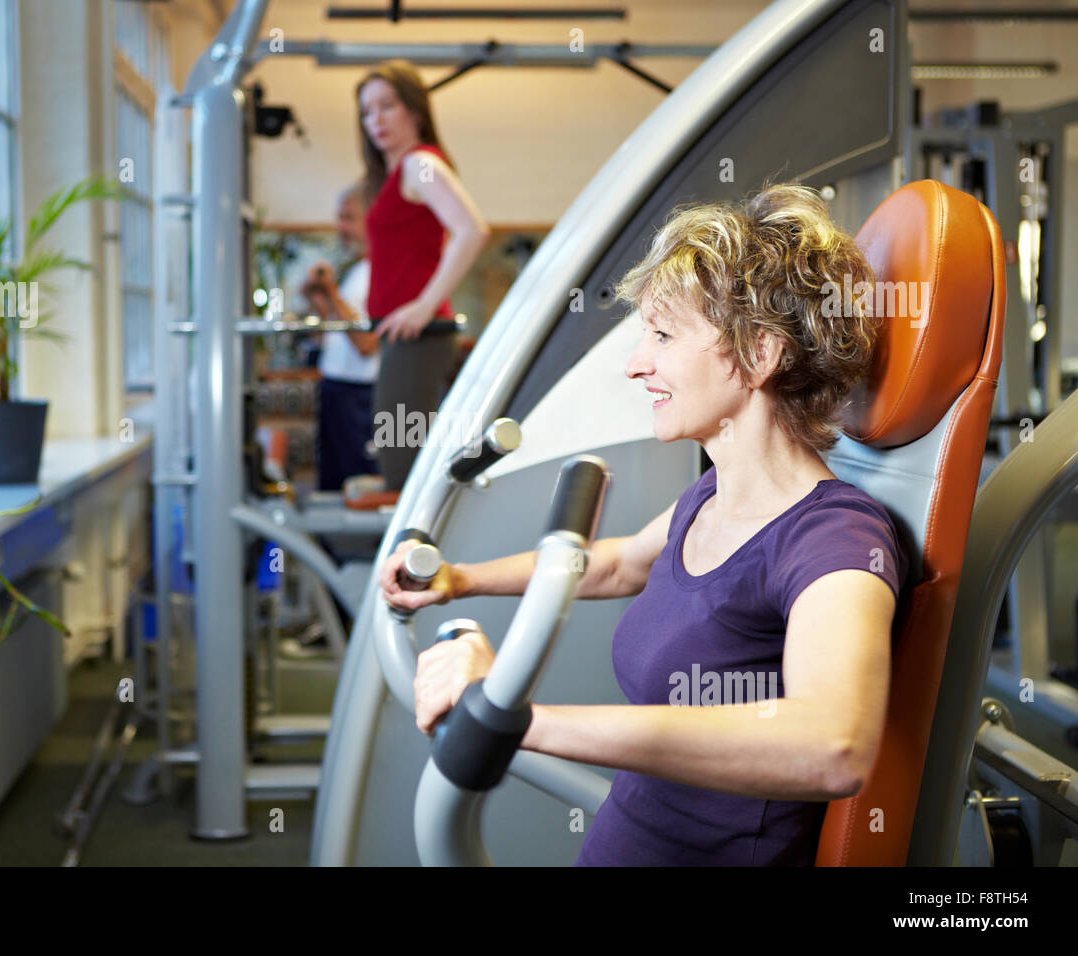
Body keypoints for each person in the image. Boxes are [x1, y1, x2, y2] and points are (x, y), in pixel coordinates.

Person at [380, 184, 909, 866]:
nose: (637, 363)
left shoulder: (836, 539)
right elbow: (618, 562)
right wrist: (456, 580)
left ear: (760, 354)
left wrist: (514, 718)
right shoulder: (714, 494)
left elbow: (832, 747)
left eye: (662, 335)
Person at [356, 60, 490, 491]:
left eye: (386, 106)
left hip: (420, 334)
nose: (375, 119)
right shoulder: (399, 173)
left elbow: (472, 229)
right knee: (400, 457)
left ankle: (417, 557)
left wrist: (423, 305)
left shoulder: (418, 165)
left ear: (414, 110)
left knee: (400, 465)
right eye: (366, 111)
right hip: (405, 336)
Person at [300, 183, 380, 491]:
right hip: (336, 391)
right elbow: (334, 336)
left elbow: (365, 344)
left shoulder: (378, 273)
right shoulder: (357, 271)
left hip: (358, 398)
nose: (340, 227)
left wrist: (331, 292)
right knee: (332, 482)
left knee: (355, 481)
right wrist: (320, 297)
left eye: (348, 218)